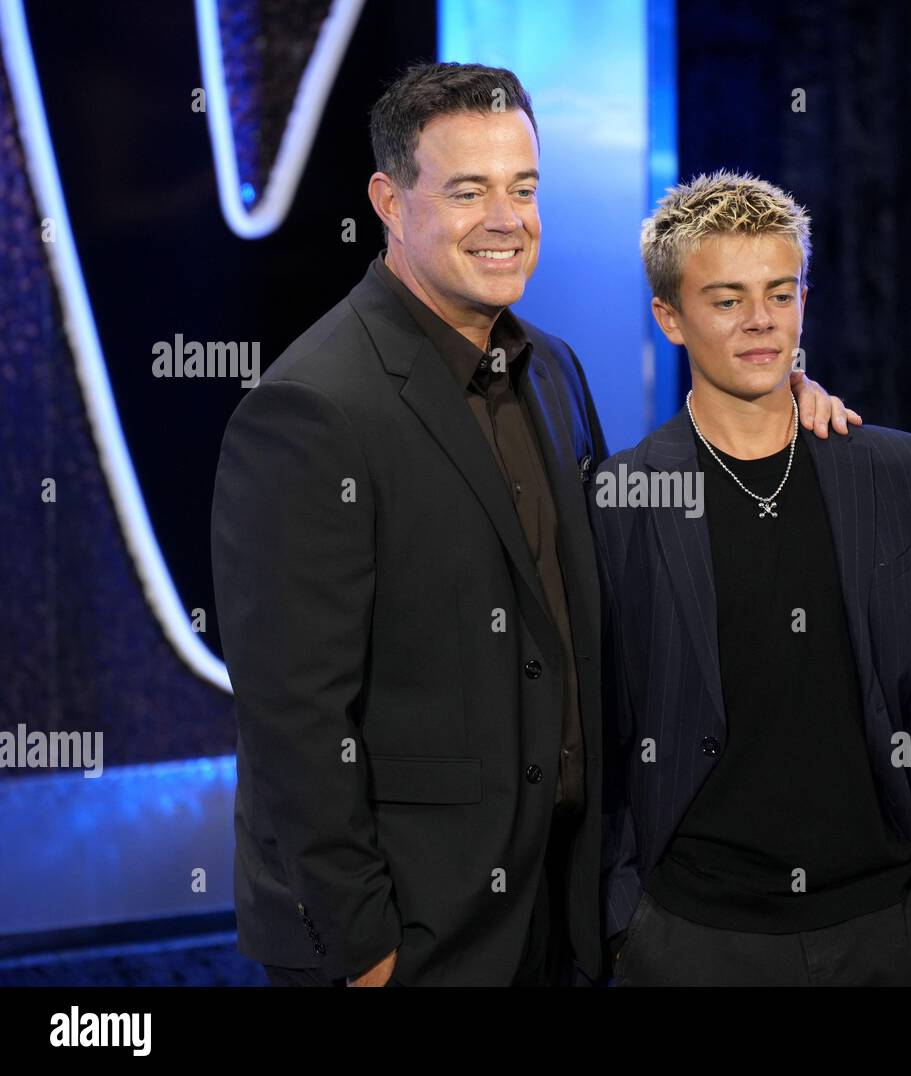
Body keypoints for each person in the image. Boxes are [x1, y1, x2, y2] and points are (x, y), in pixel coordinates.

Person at [210, 64, 858, 987]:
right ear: (388, 202)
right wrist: (363, 950)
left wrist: (770, 402)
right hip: (413, 935)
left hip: (560, 918)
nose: (507, 218)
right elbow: (292, 722)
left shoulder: (552, 373)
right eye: (469, 191)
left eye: (524, 187)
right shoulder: (312, 409)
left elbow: (621, 567)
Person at [594, 172, 911, 986]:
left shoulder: (892, 469)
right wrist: (626, 919)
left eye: (780, 292)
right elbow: (603, 728)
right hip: (693, 936)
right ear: (670, 318)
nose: (762, 322)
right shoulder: (621, 497)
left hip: (886, 924)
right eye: (726, 300)